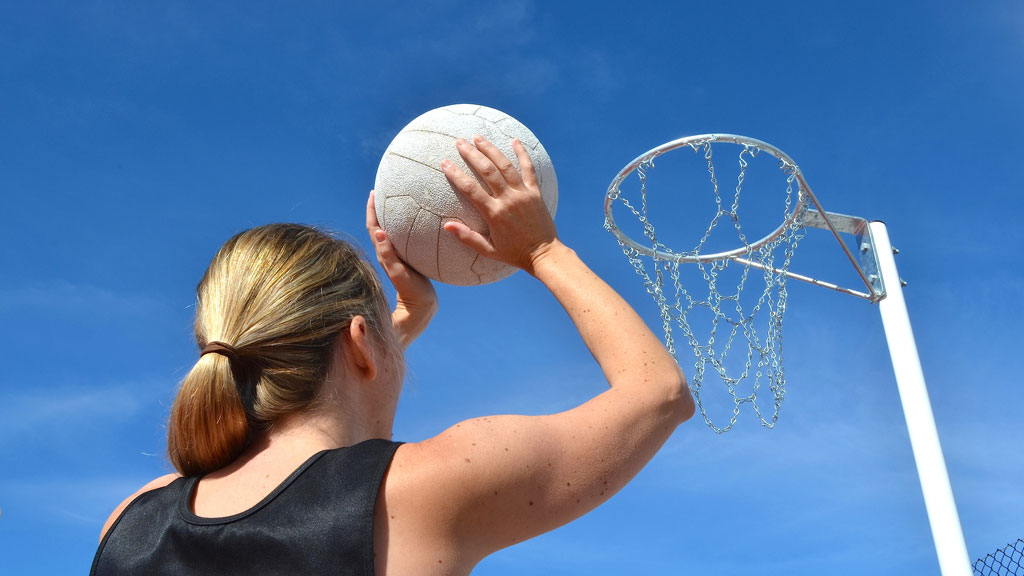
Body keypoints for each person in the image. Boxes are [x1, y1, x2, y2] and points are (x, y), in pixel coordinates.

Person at [91, 136, 695, 575]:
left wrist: (392, 329)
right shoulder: (415, 491)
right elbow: (659, 395)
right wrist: (541, 248)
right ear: (357, 343)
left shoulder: (132, 521)